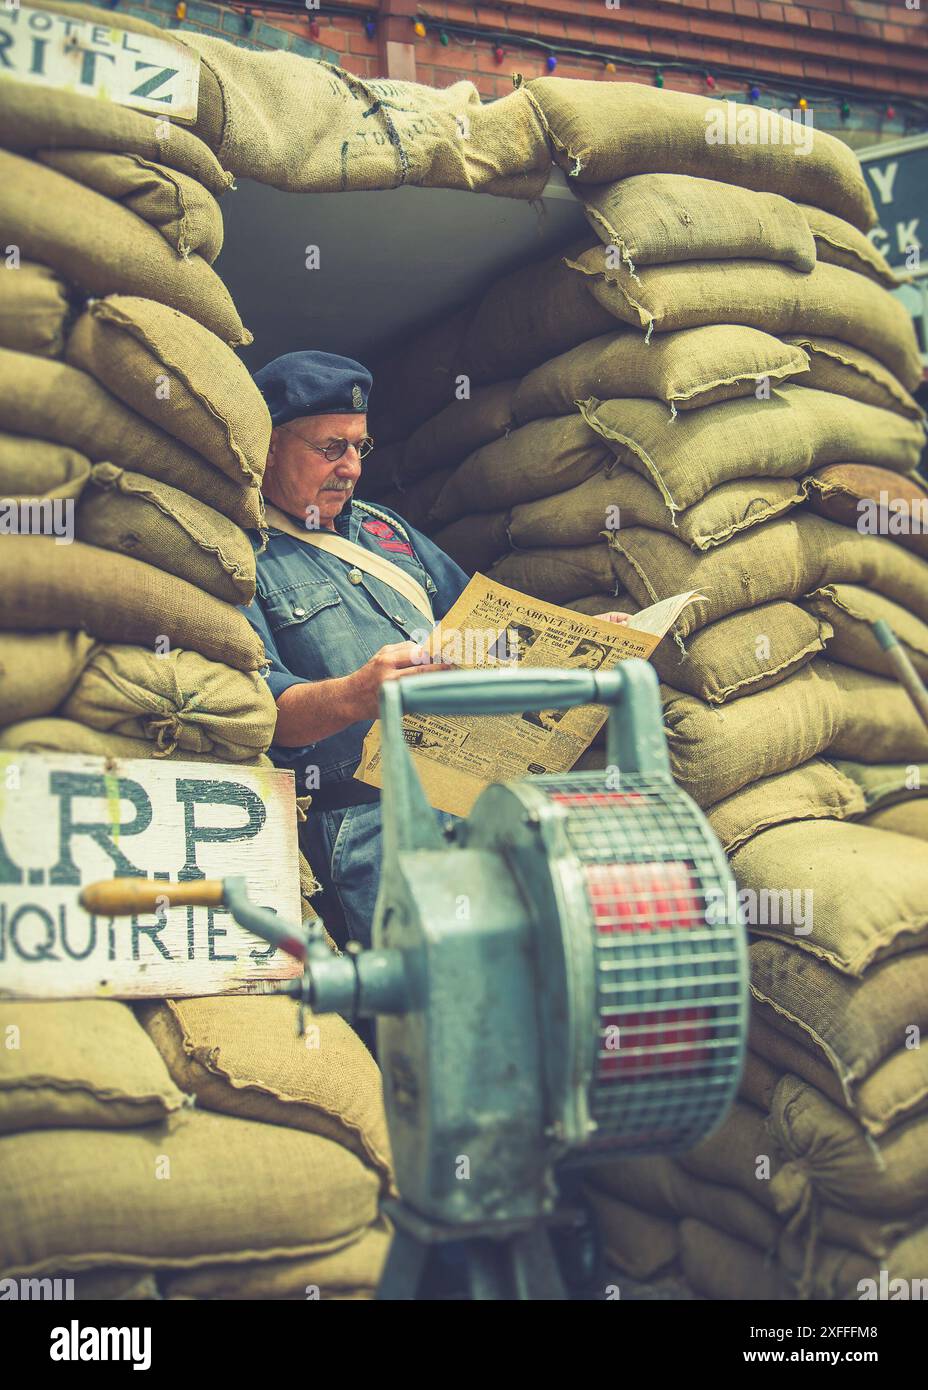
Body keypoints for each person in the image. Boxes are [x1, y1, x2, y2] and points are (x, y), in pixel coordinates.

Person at [241, 350, 630, 950]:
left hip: (477, 808)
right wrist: (352, 697)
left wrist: (573, 645)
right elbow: (258, 714)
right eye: (330, 448)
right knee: (429, 1015)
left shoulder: (386, 532)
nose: (350, 468)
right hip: (369, 827)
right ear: (268, 447)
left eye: (359, 448)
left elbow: (482, 632)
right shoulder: (242, 555)